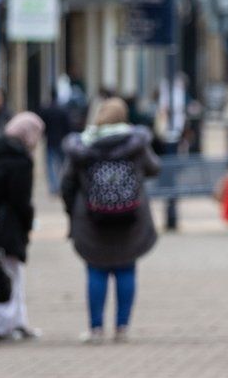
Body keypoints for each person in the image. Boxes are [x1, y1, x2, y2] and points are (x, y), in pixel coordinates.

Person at [61, 98, 160, 344]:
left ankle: (96, 329)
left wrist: (71, 211)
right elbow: (154, 168)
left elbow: (67, 182)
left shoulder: (83, 144)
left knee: (96, 269)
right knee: (126, 269)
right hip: (130, 219)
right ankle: (122, 328)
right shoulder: (135, 142)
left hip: (91, 220)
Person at [0, 112, 44, 340]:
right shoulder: (20, 161)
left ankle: (13, 321)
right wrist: (28, 220)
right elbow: (21, 200)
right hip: (11, 225)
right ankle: (5, 325)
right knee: (11, 274)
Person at [39, 89, 73, 195]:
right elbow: (68, 126)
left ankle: (54, 187)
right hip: (61, 141)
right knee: (62, 165)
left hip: (50, 141)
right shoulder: (63, 110)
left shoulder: (46, 110)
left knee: (50, 166)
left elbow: (42, 126)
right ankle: (61, 185)